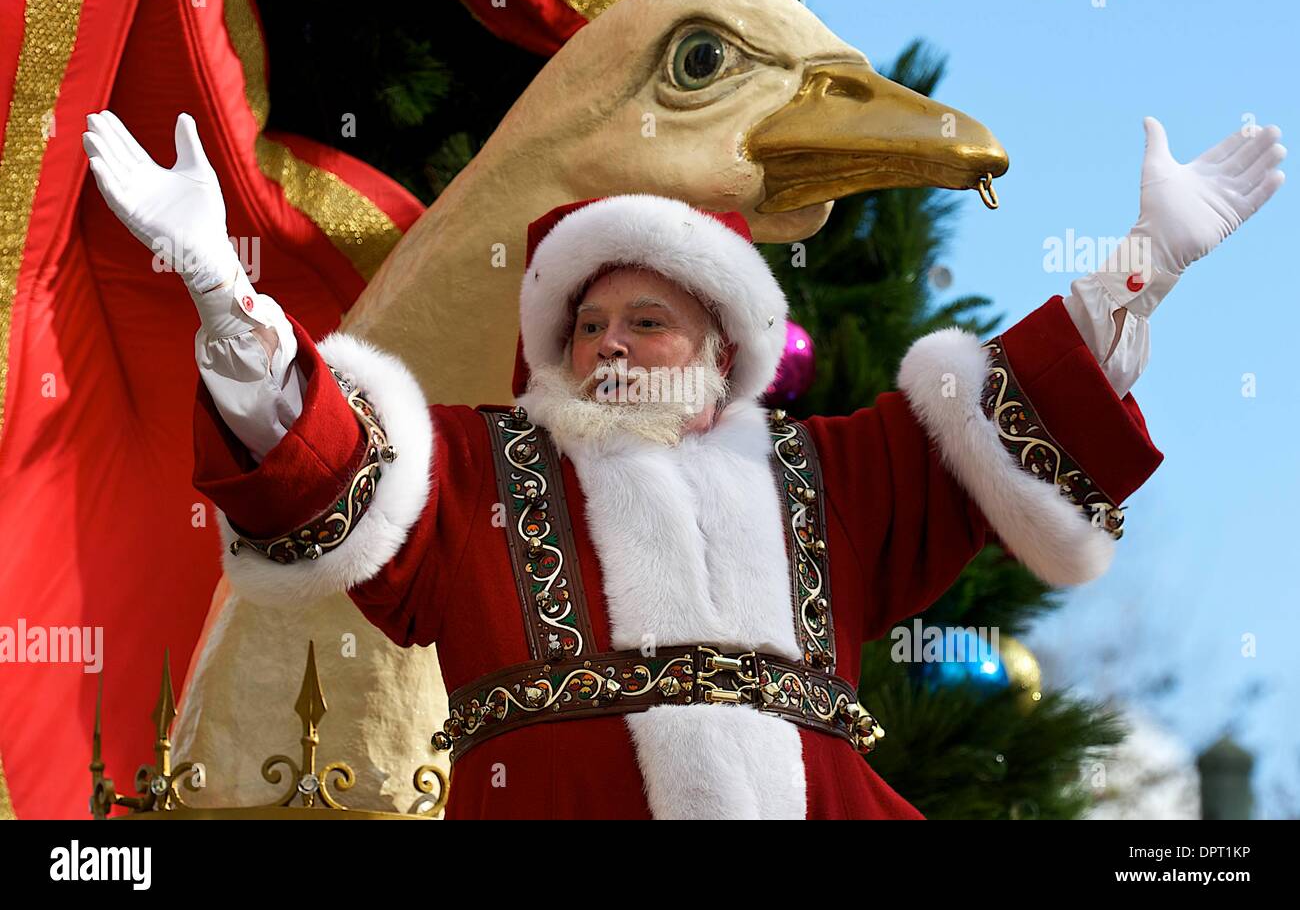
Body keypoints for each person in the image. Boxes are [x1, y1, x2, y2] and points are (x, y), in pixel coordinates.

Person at [83, 109, 1284, 819]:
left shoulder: (834, 472)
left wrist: (1140, 269)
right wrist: (221, 291)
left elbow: (1007, 416)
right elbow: (319, 454)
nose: (609, 341)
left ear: (721, 343)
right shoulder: (472, 466)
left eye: (645, 320)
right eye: (586, 324)